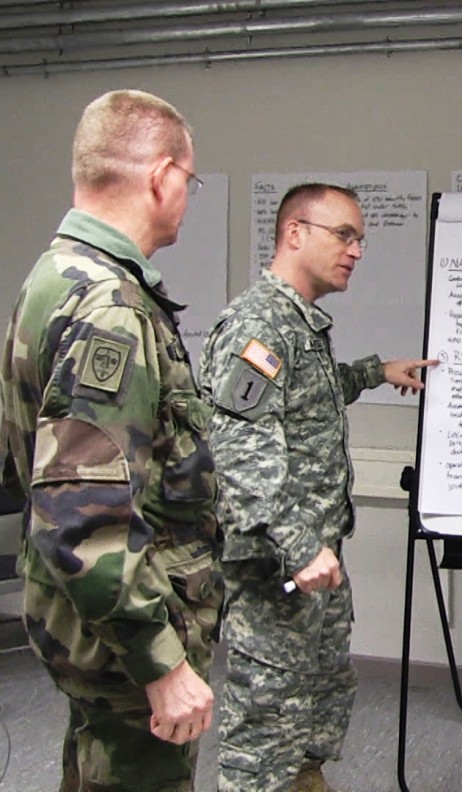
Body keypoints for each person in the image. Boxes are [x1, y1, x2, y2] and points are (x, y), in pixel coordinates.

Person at [0, 90, 221, 790]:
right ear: (161, 177)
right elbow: (83, 516)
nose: (187, 195)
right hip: (126, 633)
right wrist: (161, 662)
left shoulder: (53, 277)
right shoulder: (112, 310)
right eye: (189, 179)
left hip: (81, 622)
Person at [200, 183, 436, 792]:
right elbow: (240, 450)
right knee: (265, 725)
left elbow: (310, 393)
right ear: (295, 233)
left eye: (360, 239)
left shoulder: (298, 324)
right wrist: (300, 545)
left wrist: (375, 373)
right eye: (344, 235)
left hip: (317, 555)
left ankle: (305, 778)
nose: (356, 250)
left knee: (319, 696)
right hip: (280, 563)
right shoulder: (259, 324)